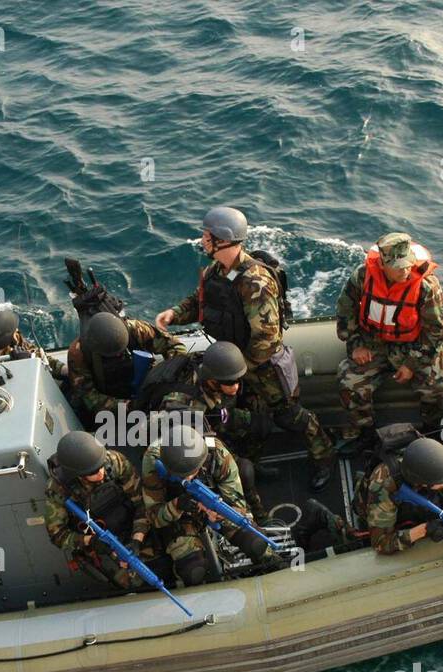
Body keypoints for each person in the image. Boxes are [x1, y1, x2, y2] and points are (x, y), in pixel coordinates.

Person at [154, 206, 335, 490]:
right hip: (235, 366)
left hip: (260, 367)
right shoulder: (218, 270)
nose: (203, 240)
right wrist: (175, 314)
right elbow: (202, 301)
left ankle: (324, 458)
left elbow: (267, 338)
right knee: (251, 419)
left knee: (291, 416)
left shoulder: (255, 282)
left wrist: (239, 370)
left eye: (207, 235)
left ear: (223, 239)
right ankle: (251, 465)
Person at [334, 232, 443, 455]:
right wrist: (356, 343)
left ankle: (434, 433)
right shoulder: (362, 276)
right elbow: (345, 311)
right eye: (398, 266)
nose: (405, 270)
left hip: (414, 346)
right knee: (348, 381)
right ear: (382, 263)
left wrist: (411, 364)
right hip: (373, 343)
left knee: (438, 385)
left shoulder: (426, 286)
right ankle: (365, 434)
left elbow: (435, 332)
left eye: (407, 264)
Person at [140, 340, 272, 519]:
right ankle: (257, 512)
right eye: (230, 382)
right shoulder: (183, 404)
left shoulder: (211, 366)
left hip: (209, 421)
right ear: (212, 380)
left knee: (258, 424)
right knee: (243, 469)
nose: (236, 386)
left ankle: (252, 465)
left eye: (237, 380)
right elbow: (181, 448)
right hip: (186, 444)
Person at [296, 437, 443, 555]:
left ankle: (360, 480)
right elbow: (382, 543)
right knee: (359, 542)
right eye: (442, 481)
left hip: (418, 503)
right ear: (421, 480)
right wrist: (425, 530)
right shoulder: (384, 485)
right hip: (380, 501)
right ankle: (322, 516)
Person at [141, 422, 269, 586]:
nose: (187, 479)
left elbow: (238, 503)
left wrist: (219, 512)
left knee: (256, 543)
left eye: (192, 473)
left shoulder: (217, 454)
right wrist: (178, 505)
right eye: (182, 475)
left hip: (218, 506)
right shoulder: (153, 459)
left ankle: (279, 567)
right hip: (179, 516)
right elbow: (154, 516)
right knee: (192, 571)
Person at [43, 431, 163, 590]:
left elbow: (142, 503)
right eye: (93, 472)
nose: (101, 473)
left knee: (162, 564)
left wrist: (136, 540)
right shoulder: (59, 490)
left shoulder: (114, 462)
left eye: (100, 467)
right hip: (100, 544)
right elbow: (58, 536)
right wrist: (91, 541)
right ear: (78, 474)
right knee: (137, 583)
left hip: (133, 526)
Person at [66, 311, 184, 425]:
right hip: (113, 402)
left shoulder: (136, 329)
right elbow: (90, 398)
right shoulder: (79, 353)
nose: (118, 355)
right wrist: (130, 407)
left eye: (121, 351)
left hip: (147, 386)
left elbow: (174, 346)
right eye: (113, 355)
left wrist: (172, 385)